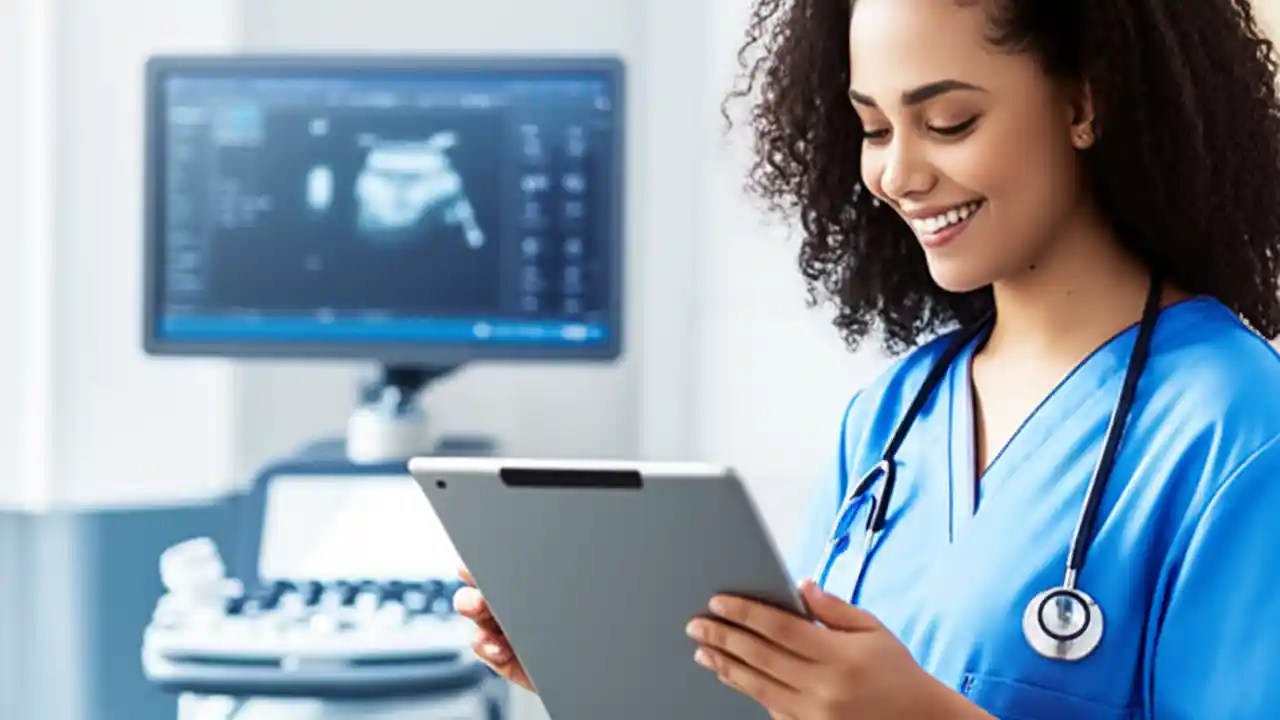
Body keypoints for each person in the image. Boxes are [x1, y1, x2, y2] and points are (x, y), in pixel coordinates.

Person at [454, 0, 1280, 716]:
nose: (898, 173)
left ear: (1085, 100)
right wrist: (608, 676)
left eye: (949, 121)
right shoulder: (892, 417)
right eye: (874, 128)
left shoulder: (1236, 426)